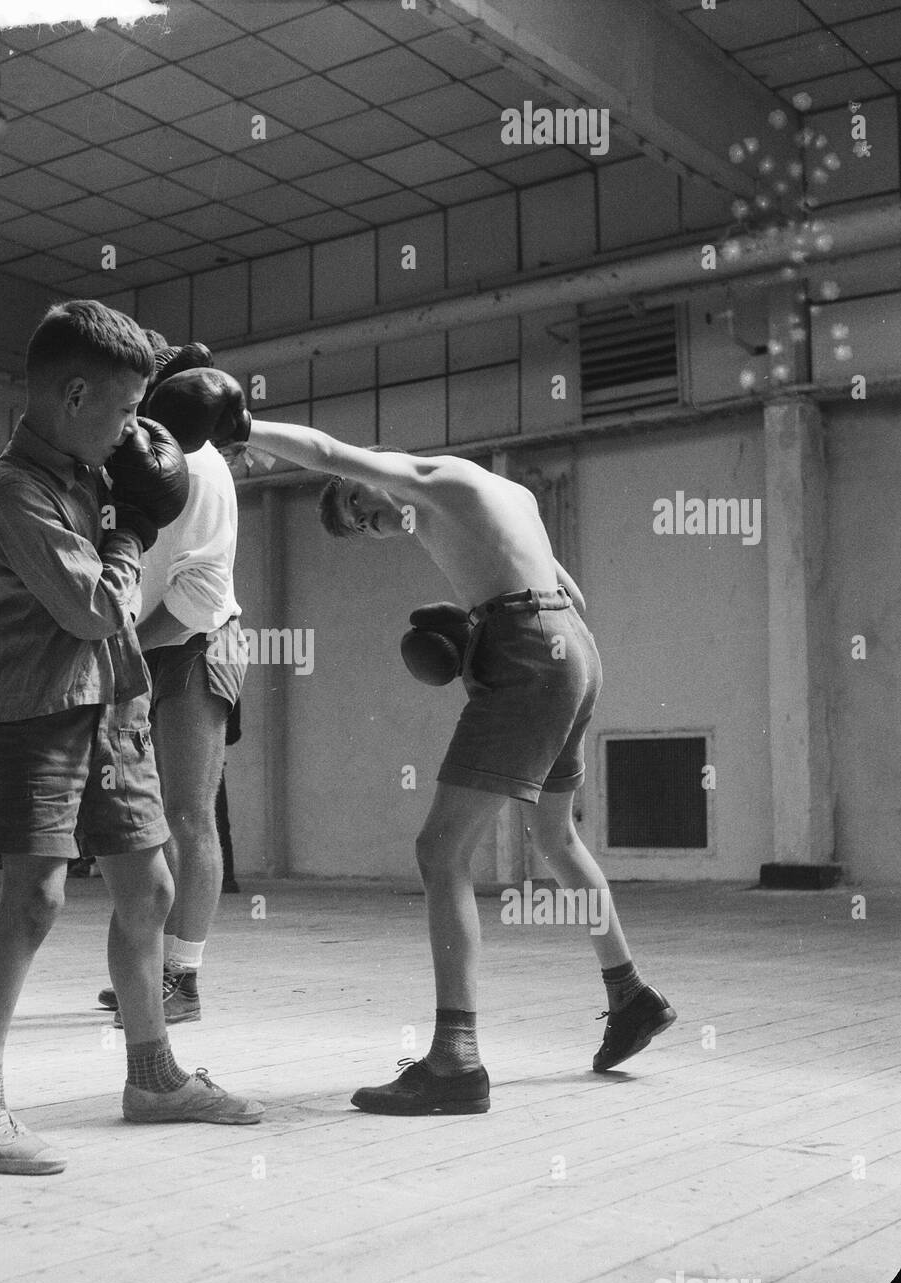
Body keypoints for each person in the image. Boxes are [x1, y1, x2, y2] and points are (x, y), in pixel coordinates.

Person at [150, 371, 676, 1114]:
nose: (369, 516)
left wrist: (240, 430)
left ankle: (454, 1063)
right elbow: (573, 599)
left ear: (381, 466)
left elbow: (331, 450)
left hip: (529, 652)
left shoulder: (430, 476)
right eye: (360, 525)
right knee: (555, 838)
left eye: (362, 500)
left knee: (439, 852)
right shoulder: (506, 497)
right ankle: (630, 997)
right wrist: (481, 629)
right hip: (569, 648)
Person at [0, 299, 261, 1178]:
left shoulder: (87, 464)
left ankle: (153, 1078)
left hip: (113, 705)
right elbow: (91, 609)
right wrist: (132, 532)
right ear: (73, 395)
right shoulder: (15, 492)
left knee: (149, 887)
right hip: (40, 712)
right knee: (33, 901)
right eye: (122, 411)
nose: (132, 431)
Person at [97, 332, 248, 1029]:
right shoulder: (125, 458)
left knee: (188, 815)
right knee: (140, 820)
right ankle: (148, 962)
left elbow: (193, 600)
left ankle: (181, 981)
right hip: (138, 643)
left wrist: (118, 647)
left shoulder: (206, 471)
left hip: (195, 641)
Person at [217, 697, 241, 895]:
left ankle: (227, 878)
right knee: (219, 822)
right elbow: (234, 734)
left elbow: (233, 733)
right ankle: (227, 878)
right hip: (214, 760)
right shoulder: (228, 688)